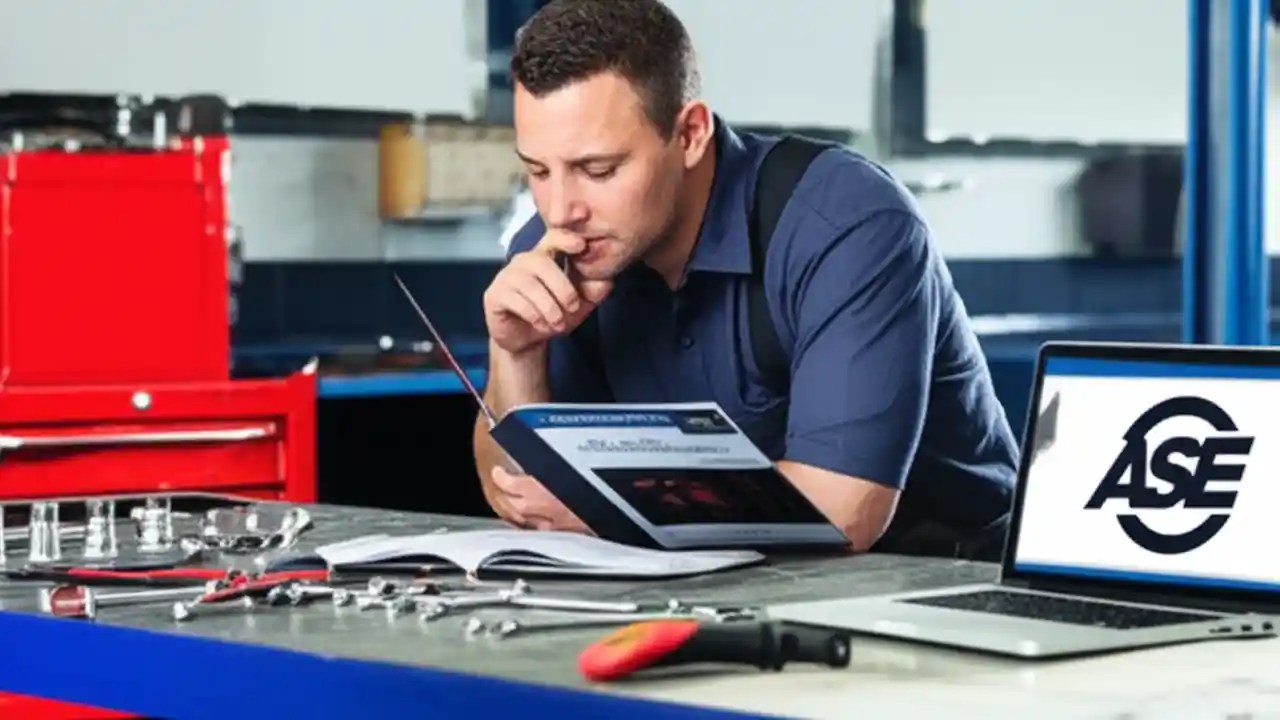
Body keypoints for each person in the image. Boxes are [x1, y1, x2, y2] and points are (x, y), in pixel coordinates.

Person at [471, 0, 1020, 559]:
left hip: (943, 575)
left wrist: (609, 510)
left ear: (689, 134)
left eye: (599, 170)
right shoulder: (556, 247)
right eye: (538, 171)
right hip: (717, 577)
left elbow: (845, 510)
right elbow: (515, 490)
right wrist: (518, 355)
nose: (562, 209)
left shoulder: (846, 222)